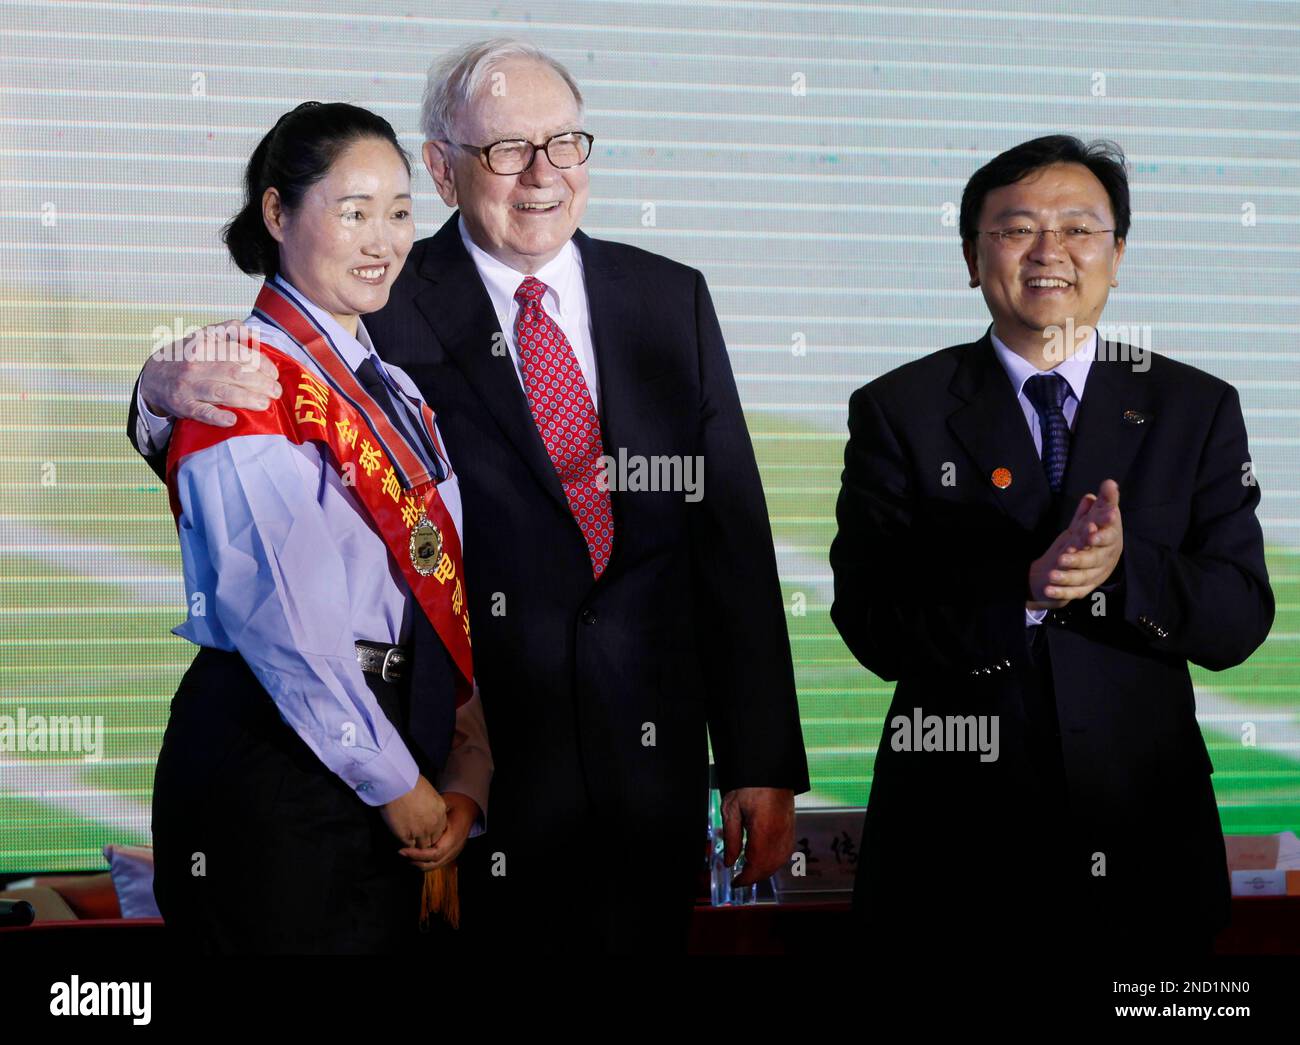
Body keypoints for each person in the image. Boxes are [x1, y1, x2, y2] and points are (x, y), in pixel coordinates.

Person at [130, 40, 808, 954]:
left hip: (644, 776)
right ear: (446, 171)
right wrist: (151, 392)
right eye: (505, 150)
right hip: (458, 790)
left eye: (565, 143)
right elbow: (247, 404)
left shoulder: (668, 298)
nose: (542, 174)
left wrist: (762, 760)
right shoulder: (376, 296)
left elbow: (730, 541)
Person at [830, 135, 1274, 962]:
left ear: (1117, 255)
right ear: (971, 256)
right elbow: (870, 620)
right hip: (955, 860)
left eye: (1079, 229)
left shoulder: (1195, 407)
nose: (1051, 253)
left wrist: (1120, 573)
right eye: (1017, 229)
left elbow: (1239, 615)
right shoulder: (900, 409)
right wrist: (1025, 590)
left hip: (1145, 851)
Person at [149, 101, 492, 954]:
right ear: (277, 213)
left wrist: (461, 761)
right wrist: (397, 786)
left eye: (400, 211)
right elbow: (282, 621)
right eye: (354, 212)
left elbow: (434, 583)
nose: (384, 239)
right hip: (286, 758)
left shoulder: (397, 391)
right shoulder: (229, 377)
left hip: (392, 746)